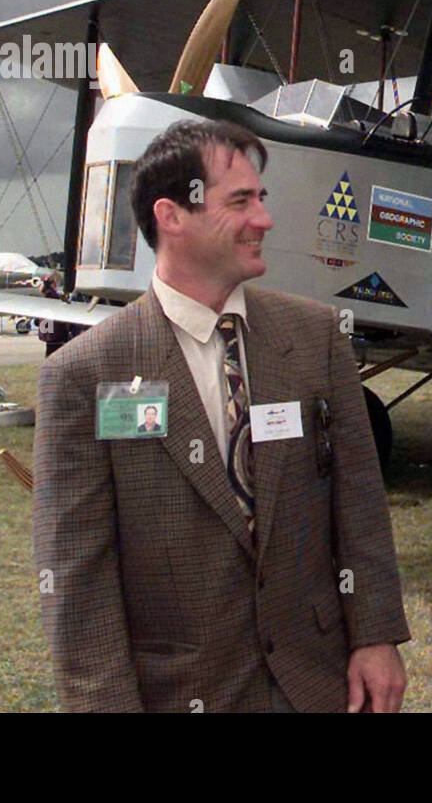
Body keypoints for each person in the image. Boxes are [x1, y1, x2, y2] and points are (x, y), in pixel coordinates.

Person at [34, 119, 410, 712]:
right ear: (172, 215)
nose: (263, 220)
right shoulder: (86, 374)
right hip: (180, 692)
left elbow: (358, 503)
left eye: (261, 199)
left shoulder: (317, 337)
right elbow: (78, 576)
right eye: (240, 202)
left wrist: (376, 634)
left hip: (317, 682)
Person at [38, 274, 73, 357]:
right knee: (54, 349)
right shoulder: (52, 295)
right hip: (53, 327)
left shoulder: (46, 294)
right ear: (52, 283)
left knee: (50, 347)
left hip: (47, 326)